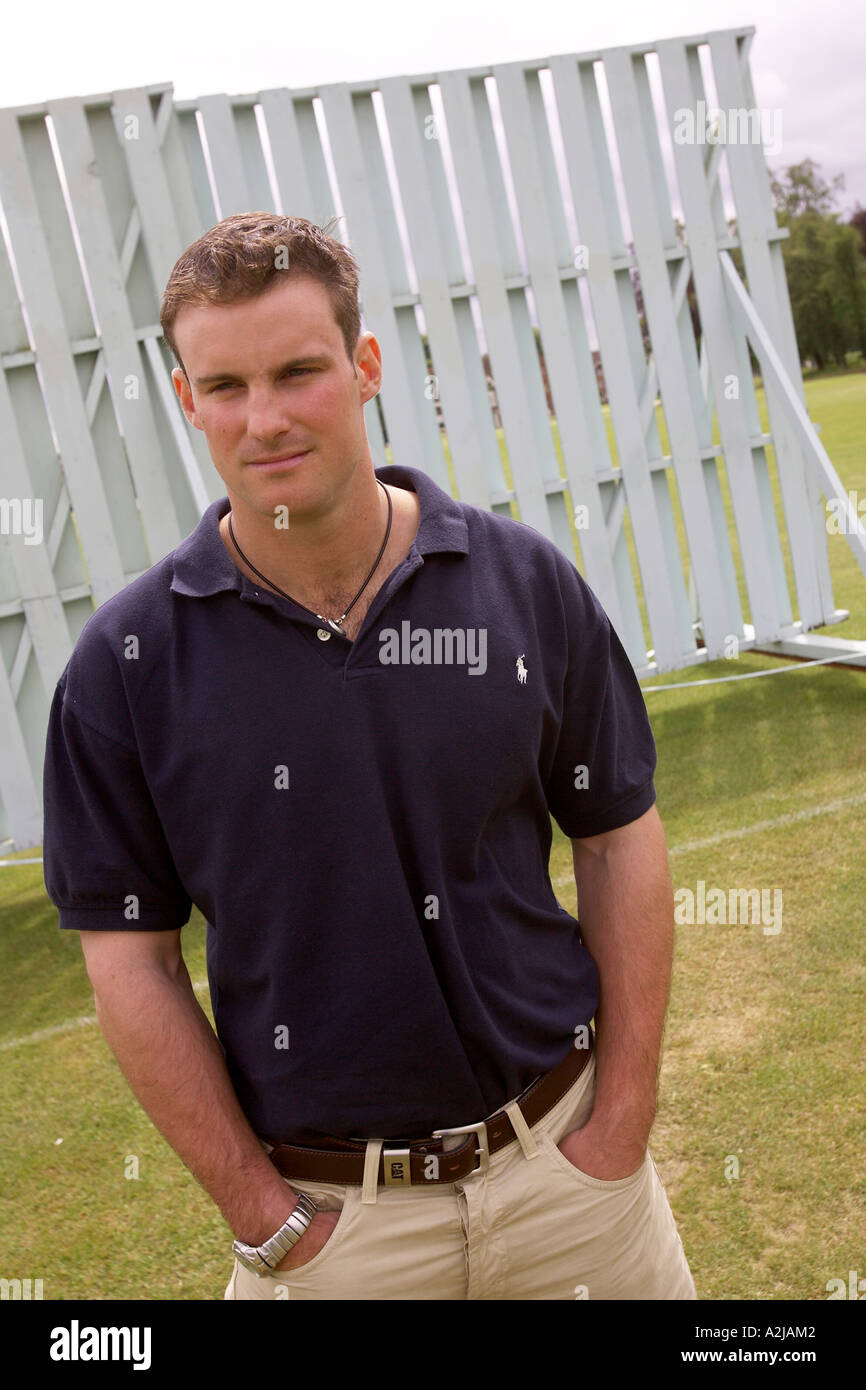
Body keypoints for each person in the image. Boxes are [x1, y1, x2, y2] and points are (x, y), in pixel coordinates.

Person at [42, 212, 697, 1301]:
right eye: (224, 387)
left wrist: (619, 1122)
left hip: (572, 1184)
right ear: (185, 400)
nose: (264, 419)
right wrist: (266, 1219)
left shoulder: (522, 585)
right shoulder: (126, 664)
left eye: (298, 371)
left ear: (364, 366)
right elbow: (132, 964)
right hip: (338, 1239)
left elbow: (617, 839)